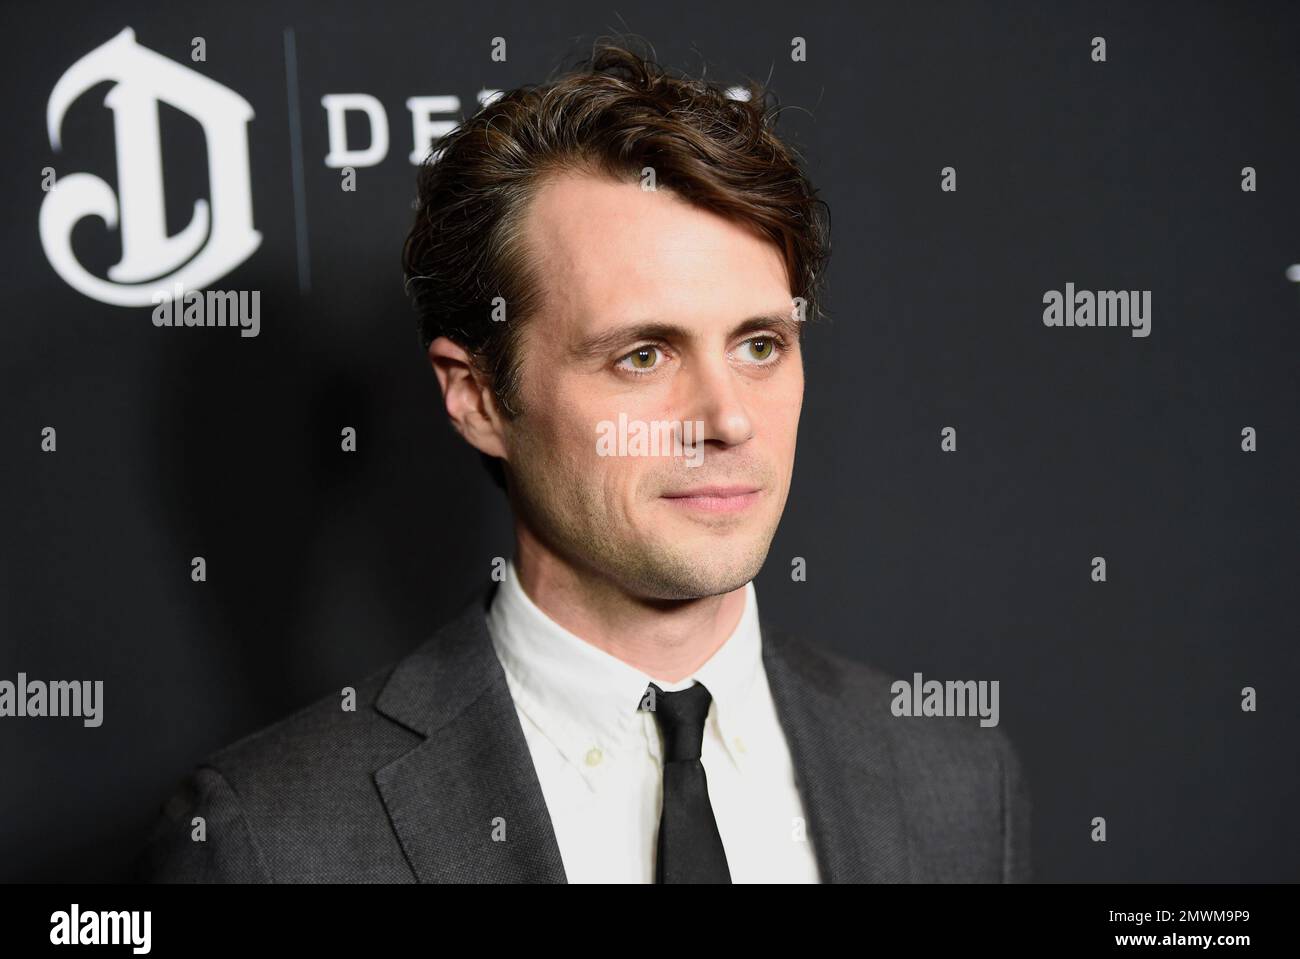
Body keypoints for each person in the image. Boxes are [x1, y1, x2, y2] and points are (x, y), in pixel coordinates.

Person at [137, 40, 1030, 884]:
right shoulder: (270, 838)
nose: (726, 419)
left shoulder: (953, 780)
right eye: (643, 355)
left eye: (759, 345)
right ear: (479, 399)